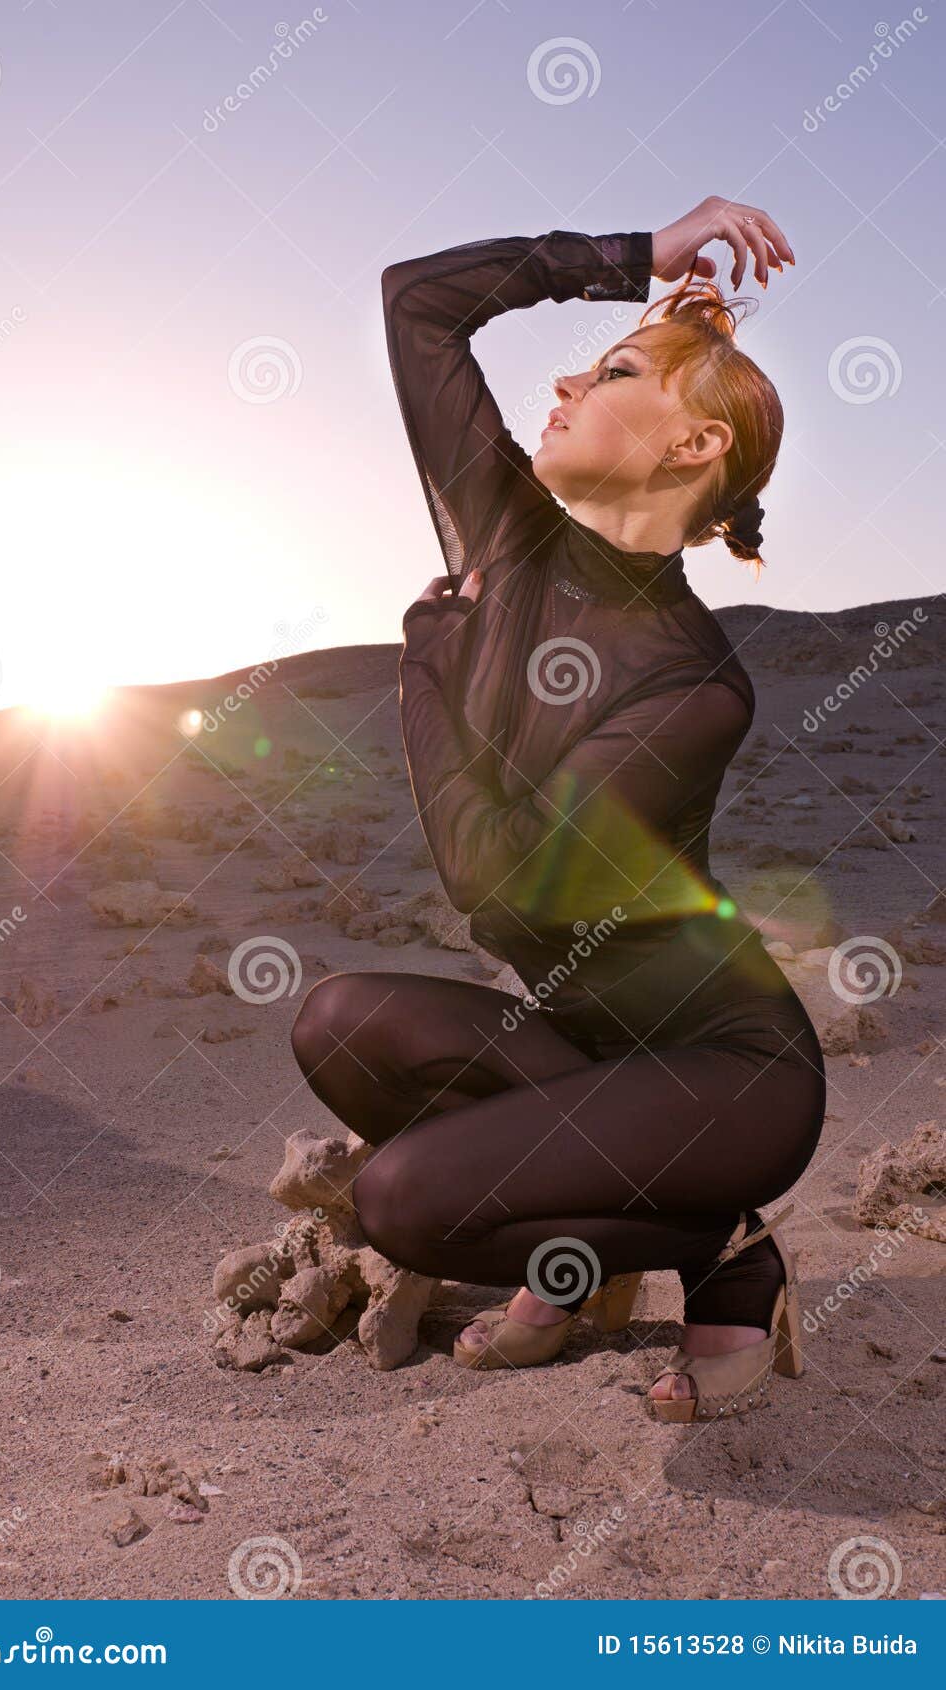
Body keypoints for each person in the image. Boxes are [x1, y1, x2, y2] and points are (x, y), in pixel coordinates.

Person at [289, 196, 826, 1423]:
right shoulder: (505, 535)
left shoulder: (696, 685)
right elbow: (417, 300)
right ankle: (595, 1256)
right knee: (338, 1023)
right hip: (585, 1054)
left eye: (616, 371)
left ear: (693, 447)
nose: (568, 383)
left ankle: (722, 1247)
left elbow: (494, 880)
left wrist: (426, 653)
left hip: (724, 1075)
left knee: (400, 1202)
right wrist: (630, 262)